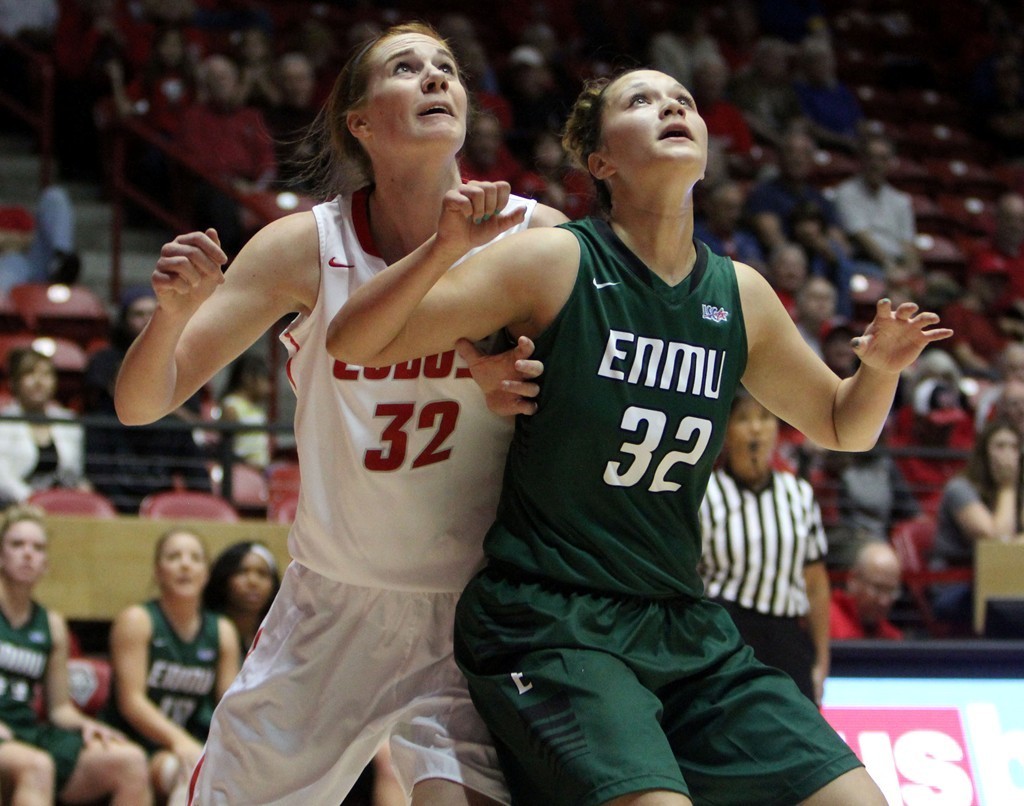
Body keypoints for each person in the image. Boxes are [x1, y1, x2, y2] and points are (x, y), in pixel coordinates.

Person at [328, 66, 951, 805]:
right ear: (601, 162)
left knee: (858, 801)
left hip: (680, 623)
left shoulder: (739, 294)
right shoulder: (556, 261)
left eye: (683, 100)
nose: (673, 107)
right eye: (642, 101)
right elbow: (355, 341)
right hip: (550, 618)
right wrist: (440, 250)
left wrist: (878, 371)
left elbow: (844, 424)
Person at [114, 22, 566, 805]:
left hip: (482, 606)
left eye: (447, 68)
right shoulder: (303, 246)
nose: (435, 78)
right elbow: (141, 401)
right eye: (406, 67)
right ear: (358, 122)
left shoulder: (536, 236)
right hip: (335, 602)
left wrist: (521, 389)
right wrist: (172, 315)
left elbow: (586, 410)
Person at [0, 504, 152, 805]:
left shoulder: (52, 624)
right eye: (17, 545)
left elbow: (58, 708)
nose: (28, 553)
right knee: (37, 766)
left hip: (25, 733)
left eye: (38, 548)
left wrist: (87, 724)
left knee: (131, 760)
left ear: (46, 563)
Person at [699, 390, 831, 705]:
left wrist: (823, 661)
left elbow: (815, 584)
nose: (756, 429)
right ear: (726, 433)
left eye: (765, 418)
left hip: (786, 635)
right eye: (744, 419)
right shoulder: (706, 494)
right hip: (727, 635)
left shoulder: (798, 494)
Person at [106, 528, 240, 806]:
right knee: (187, 774)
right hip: (135, 741)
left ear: (206, 573)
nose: (185, 564)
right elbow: (131, 701)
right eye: (174, 557)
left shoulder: (222, 631)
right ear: (157, 571)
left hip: (191, 742)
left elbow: (230, 707)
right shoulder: (137, 620)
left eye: (195, 558)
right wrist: (180, 741)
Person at [84, 287, 212, 514]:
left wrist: (155, 401)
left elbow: (193, 419)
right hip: (117, 440)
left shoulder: (180, 359)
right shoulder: (104, 359)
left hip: (161, 441)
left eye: (151, 313)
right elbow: (96, 402)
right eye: (138, 314)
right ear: (123, 320)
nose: (145, 320)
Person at [930, 418, 1024, 624]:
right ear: (984, 454)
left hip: (1004, 582)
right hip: (957, 584)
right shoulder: (960, 489)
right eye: (1000, 446)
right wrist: (1007, 486)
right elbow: (997, 543)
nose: (1008, 454)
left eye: (1014, 447)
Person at [0, 348, 88, 507]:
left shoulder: (68, 422)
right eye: (30, 374)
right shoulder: (4, 422)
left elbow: (74, 473)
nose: (39, 381)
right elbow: (3, 477)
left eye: (46, 374)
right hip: (13, 506)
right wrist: (32, 501)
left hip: (60, 506)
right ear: (14, 382)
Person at [832, 133, 920, 288]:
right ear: (862, 159)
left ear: (891, 162)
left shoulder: (900, 200)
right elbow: (862, 238)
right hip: (867, 262)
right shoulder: (846, 193)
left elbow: (908, 243)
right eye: (871, 157)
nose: (876, 164)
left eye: (883, 158)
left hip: (897, 263)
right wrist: (891, 267)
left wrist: (912, 271)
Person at [202, 540, 280, 656]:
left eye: (262, 573)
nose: (253, 581)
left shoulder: (280, 635)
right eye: (242, 572)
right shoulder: (206, 630)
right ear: (224, 579)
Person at [0, 186, 80, 294]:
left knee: (55, 196)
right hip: (11, 268)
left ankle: (61, 259)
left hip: (35, 262)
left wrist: (17, 239)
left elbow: (28, 234)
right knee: (12, 261)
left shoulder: (16, 214)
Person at [829, 541, 904, 640]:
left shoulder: (891, 638)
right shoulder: (826, 622)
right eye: (877, 588)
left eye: (891, 591)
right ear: (853, 579)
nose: (884, 601)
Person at [217, 353, 271, 469]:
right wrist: (245, 464)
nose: (269, 388)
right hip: (240, 471)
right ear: (247, 378)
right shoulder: (231, 406)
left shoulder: (255, 407)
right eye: (264, 380)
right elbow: (225, 446)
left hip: (259, 472)